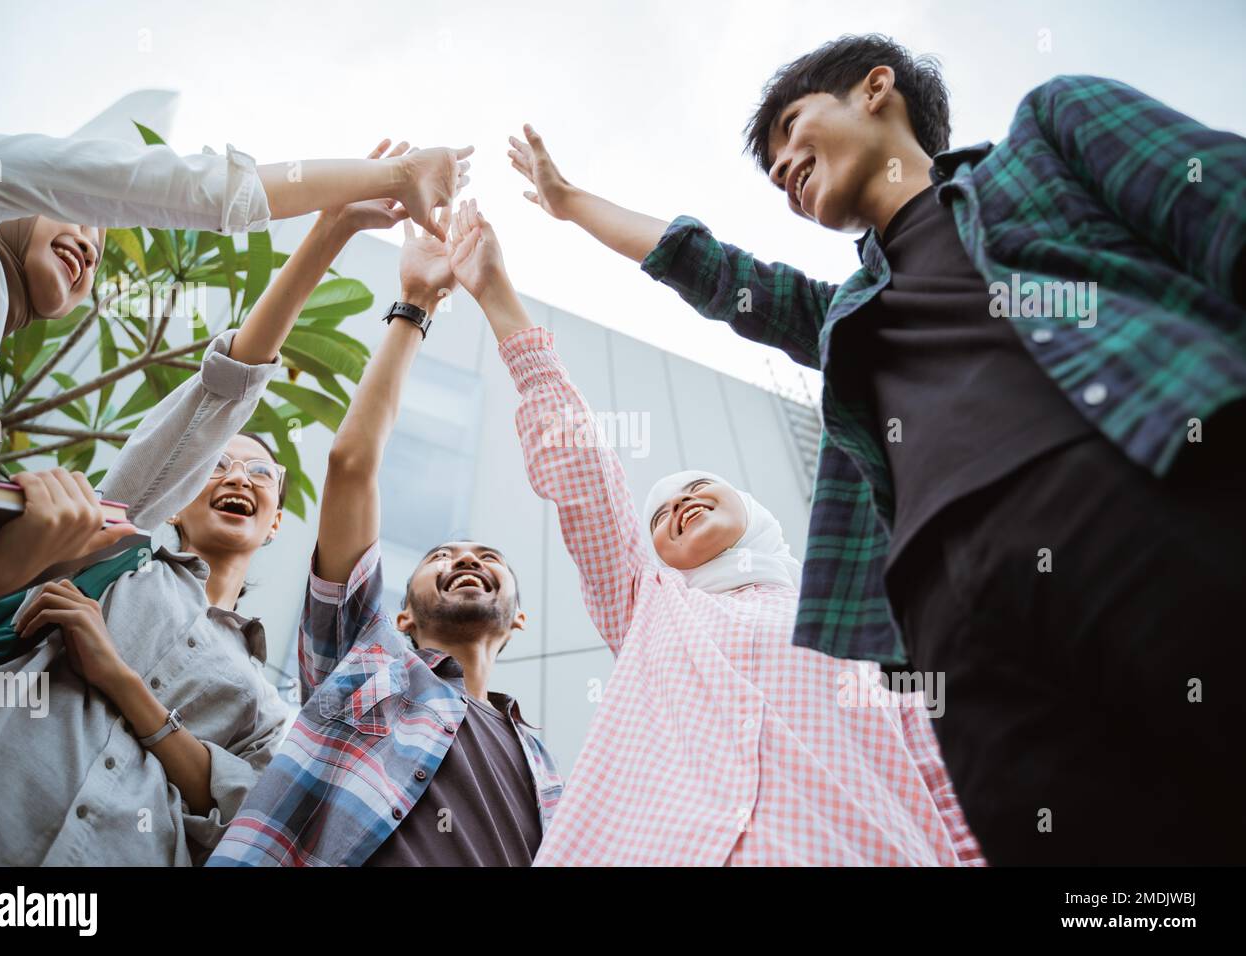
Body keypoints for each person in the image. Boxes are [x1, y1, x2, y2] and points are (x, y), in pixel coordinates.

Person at [505, 35, 1246, 864]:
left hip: (1141, 497)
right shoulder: (844, 317)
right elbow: (716, 273)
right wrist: (568, 204)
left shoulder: (1047, 140)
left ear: (876, 89)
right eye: (771, 163)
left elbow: (1228, 212)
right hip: (960, 634)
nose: (783, 166)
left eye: (791, 128)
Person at [436, 198, 982, 866]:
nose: (680, 504)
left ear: (754, 516)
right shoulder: (646, 604)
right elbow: (585, 473)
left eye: (698, 489)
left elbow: (947, 786)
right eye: (661, 514)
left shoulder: (859, 626)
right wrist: (496, 295)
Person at [0, 143, 425, 864]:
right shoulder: (116, 547)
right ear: (175, 496)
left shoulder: (271, 703)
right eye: (218, 467)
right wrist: (331, 232)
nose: (237, 477)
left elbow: (252, 808)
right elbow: (223, 392)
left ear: (275, 526)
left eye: (260, 476)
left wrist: (120, 681)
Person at [0, 127, 471, 605]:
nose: (89, 242)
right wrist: (389, 180)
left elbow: (219, 401)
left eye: (103, 243)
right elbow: (180, 187)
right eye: (79, 213)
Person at [209, 206, 563, 868]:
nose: (465, 558)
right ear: (399, 614)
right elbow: (351, 466)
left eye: (488, 558)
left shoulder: (552, 773)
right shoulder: (366, 661)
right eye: (442, 557)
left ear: (518, 621)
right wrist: (416, 302)